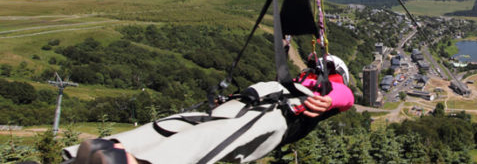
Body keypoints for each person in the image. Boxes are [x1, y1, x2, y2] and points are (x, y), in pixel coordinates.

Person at [64, 53, 354, 164]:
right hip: (246, 106)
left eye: (323, 67)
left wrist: (329, 98)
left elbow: (346, 97)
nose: (316, 68)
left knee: (206, 139)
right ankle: (100, 150)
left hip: (276, 117)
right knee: (175, 123)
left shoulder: (329, 89)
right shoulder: (299, 80)